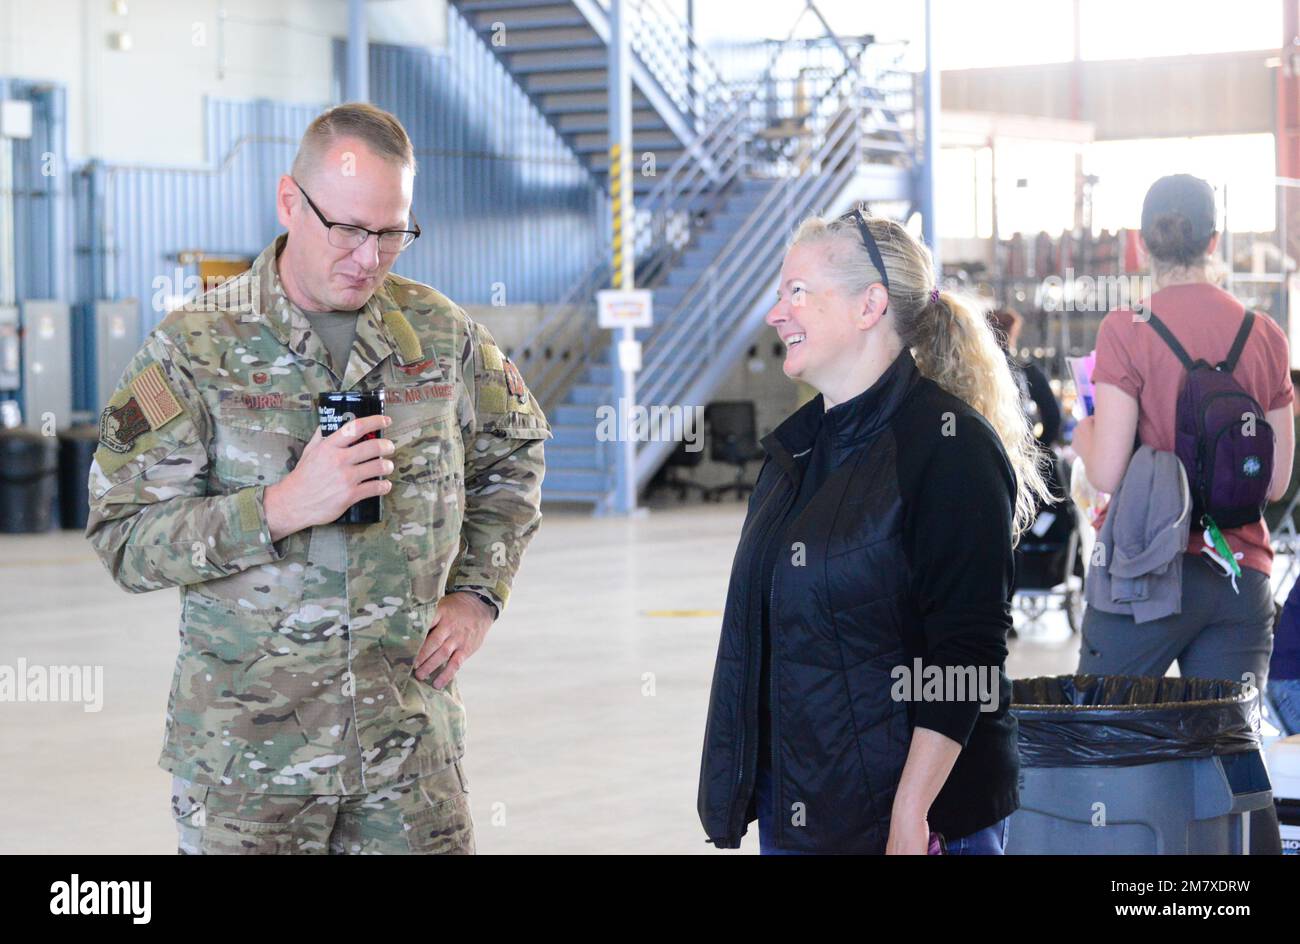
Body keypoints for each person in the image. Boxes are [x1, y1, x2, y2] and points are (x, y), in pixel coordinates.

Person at [85, 103, 551, 854]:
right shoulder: (192, 350)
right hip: (248, 768)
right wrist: (277, 507)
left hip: (406, 755)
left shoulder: (440, 335)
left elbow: (515, 453)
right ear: (288, 202)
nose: (370, 257)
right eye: (348, 230)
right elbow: (123, 535)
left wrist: (477, 594)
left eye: (392, 231)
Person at [697, 206, 1052, 854]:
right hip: (806, 811)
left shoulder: (949, 450)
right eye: (779, 296)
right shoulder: (796, 455)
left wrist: (910, 812)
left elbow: (966, 655)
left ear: (870, 305)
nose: (777, 314)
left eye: (797, 293)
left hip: (913, 825)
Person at [1072, 174, 1293, 691]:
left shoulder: (1127, 328)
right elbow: (1276, 482)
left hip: (1143, 574)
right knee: (1224, 751)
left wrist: (1085, 433)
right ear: (1214, 242)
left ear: (1141, 243)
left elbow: (1106, 470)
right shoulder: (1265, 334)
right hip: (1239, 574)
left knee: (1103, 740)